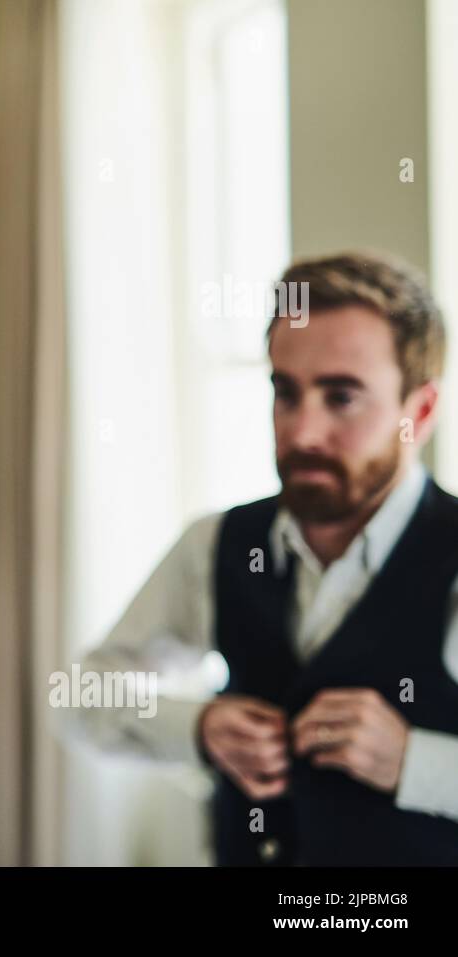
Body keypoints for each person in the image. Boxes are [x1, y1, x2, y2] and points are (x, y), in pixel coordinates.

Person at [67, 252, 458, 866]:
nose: (302, 432)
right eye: (286, 391)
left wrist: (415, 762)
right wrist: (196, 728)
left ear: (421, 411)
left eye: (342, 397)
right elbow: (80, 693)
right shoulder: (216, 543)